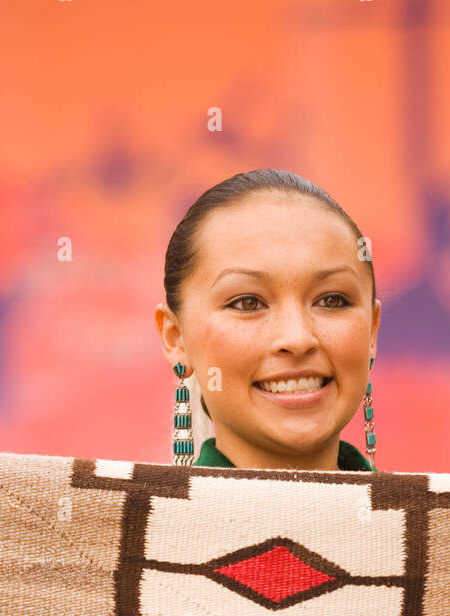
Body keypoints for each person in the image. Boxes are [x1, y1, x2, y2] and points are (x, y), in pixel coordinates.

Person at [154, 168, 381, 473]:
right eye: (248, 303)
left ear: (372, 330)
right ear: (175, 338)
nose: (297, 339)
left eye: (331, 300)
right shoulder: (117, 521)